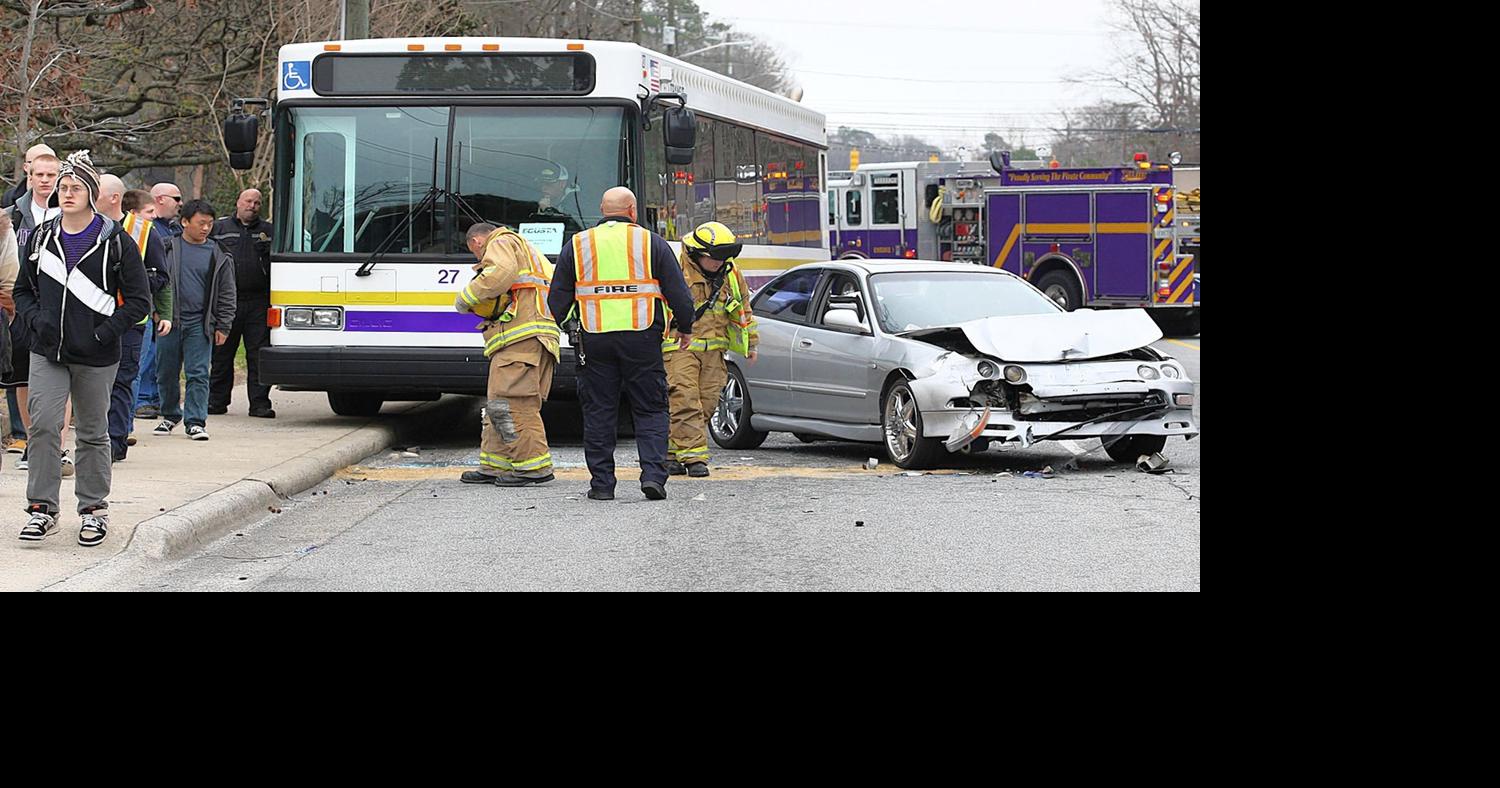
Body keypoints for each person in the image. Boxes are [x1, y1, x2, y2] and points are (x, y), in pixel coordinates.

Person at [14, 151, 151, 546]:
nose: (67, 193)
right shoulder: (42, 236)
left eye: (75, 188)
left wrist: (103, 334)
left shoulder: (116, 240)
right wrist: (37, 322)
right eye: (63, 187)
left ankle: (93, 510)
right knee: (42, 426)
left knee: (92, 432)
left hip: (96, 354)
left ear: (92, 194)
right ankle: (41, 509)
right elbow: (24, 290)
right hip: (48, 350)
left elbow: (139, 302)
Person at [547, 187, 696, 501]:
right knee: (651, 408)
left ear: (602, 210)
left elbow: (557, 299)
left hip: (593, 339)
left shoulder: (578, 244)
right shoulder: (650, 242)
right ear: (633, 210)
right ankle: (654, 477)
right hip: (642, 337)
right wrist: (685, 327)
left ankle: (602, 485)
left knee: (599, 411)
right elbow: (679, 293)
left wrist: (569, 326)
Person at [456, 222, 560, 487]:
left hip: (521, 338)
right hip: (529, 339)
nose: (480, 259)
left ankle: (533, 467)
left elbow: (498, 273)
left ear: (477, 242)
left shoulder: (501, 241)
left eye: (476, 255)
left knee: (515, 404)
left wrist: (466, 298)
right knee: (499, 403)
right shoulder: (526, 249)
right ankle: (494, 464)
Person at [663, 221, 759, 477]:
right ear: (696, 253)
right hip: (679, 347)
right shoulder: (675, 268)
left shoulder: (730, 272)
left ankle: (670, 453)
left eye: (723, 257)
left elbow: (743, 307)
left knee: (706, 404)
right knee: (685, 400)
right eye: (713, 258)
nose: (718, 263)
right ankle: (695, 458)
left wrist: (751, 342)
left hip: (714, 351)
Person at [97, 175, 172, 461]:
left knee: (123, 381)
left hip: (130, 322)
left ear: (114, 197)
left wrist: (128, 283)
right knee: (93, 383)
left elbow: (161, 276)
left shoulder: (143, 231)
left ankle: (115, 443)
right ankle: (95, 439)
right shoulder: (85, 227)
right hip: (92, 321)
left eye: (97, 192)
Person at [152, 199, 234, 441]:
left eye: (209, 224)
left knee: (198, 373)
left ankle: (195, 421)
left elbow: (228, 292)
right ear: (184, 222)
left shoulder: (218, 254)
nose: (206, 228)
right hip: (169, 321)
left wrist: (224, 325)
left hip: (201, 323)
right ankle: (170, 414)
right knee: (165, 371)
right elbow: (150, 280)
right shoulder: (166, 248)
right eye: (201, 223)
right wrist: (155, 311)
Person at [4, 151, 61, 465]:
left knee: (58, 375)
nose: (44, 181)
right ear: (29, 174)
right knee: (23, 378)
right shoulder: (13, 214)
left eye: (51, 176)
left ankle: (57, 447)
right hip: (21, 304)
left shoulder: (68, 213)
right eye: (39, 175)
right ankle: (29, 442)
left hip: (57, 304)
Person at [208, 188, 274, 418]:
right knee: (222, 353)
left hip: (258, 302)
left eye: (257, 202)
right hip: (228, 301)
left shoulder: (268, 231)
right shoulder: (220, 228)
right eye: (248, 201)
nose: (252, 206)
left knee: (257, 355)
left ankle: (259, 404)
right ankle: (216, 401)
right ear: (238, 202)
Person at [134, 183, 181, 420]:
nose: (180, 203)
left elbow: (164, 276)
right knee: (143, 358)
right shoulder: (145, 232)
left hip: (156, 305)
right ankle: (142, 400)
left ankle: (153, 399)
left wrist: (165, 310)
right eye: (176, 198)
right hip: (141, 309)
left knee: (155, 356)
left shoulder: (169, 229)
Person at [1, 143, 56, 208]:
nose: (43, 167)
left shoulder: (64, 197)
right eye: (38, 162)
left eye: (49, 162)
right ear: (26, 167)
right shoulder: (9, 198)